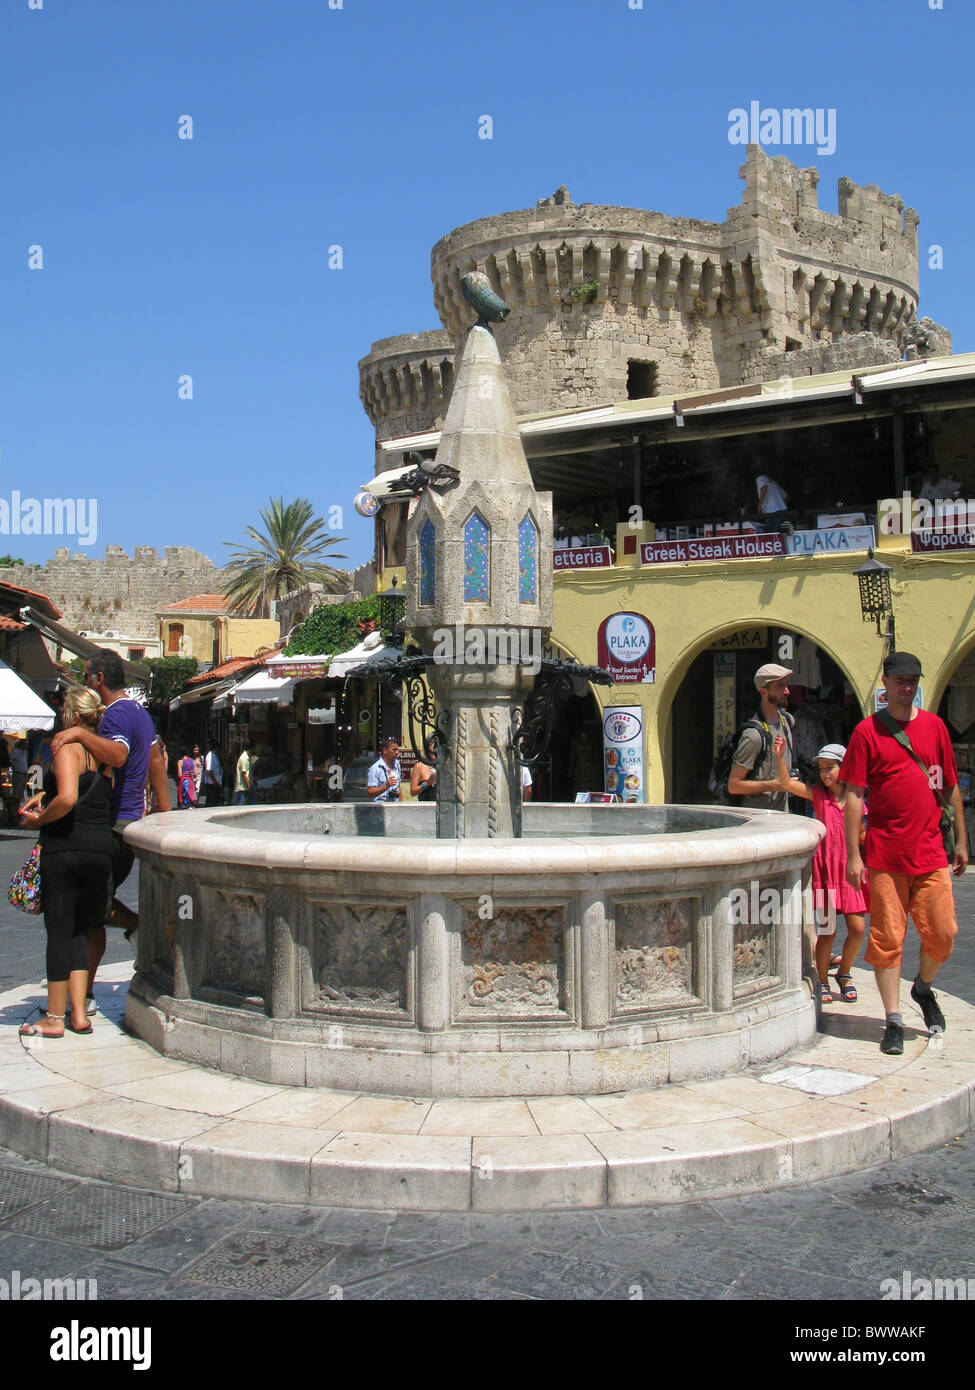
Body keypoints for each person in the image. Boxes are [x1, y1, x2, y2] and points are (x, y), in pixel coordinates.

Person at [843, 651, 968, 1055]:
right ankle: (893, 1020)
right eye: (900, 680)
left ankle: (923, 989)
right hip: (884, 856)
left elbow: (949, 787)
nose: (907, 687)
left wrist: (962, 842)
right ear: (886, 681)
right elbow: (854, 796)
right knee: (886, 940)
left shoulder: (934, 728)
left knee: (943, 935)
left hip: (931, 853)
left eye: (913, 680)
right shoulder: (867, 732)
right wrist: (852, 856)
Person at [50, 651, 170, 1011]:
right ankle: (81, 991)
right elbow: (156, 764)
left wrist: (77, 734)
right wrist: (164, 814)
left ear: (99, 678)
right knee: (93, 908)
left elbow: (118, 755)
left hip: (113, 825)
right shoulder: (140, 713)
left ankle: (83, 995)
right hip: (133, 820)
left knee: (92, 914)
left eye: (88, 676)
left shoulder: (116, 713)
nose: (87, 682)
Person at [18, 688, 113, 1038]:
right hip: (99, 849)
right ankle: (79, 1015)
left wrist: (39, 821)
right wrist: (50, 794)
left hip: (66, 848)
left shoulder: (67, 747)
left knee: (59, 932)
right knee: (81, 929)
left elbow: (70, 797)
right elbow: (91, 790)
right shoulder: (103, 753)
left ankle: (55, 1019)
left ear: (72, 715)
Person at [775, 740, 868, 1005]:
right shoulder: (819, 795)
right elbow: (787, 784)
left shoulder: (856, 797)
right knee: (827, 930)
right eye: (822, 769)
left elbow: (863, 834)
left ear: (845, 767)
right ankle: (823, 978)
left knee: (858, 928)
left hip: (850, 872)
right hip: (826, 873)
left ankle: (845, 973)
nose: (826, 774)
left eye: (831, 768)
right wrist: (780, 758)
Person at [726, 663, 795, 810]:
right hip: (758, 822)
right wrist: (774, 785)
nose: (787, 691)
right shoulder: (753, 736)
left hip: (782, 818)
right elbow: (734, 785)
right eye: (780, 687)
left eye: (786, 685)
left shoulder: (787, 721)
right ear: (763, 691)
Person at [367, 737, 401, 801]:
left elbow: (398, 788)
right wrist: (386, 786)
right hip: (381, 807)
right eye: (394, 750)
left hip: (395, 807)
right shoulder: (376, 768)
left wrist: (400, 806)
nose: (397, 752)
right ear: (385, 751)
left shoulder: (396, 765)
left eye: (397, 750)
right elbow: (370, 792)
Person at [202, 742, 223, 807]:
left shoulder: (216, 756)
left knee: (215, 801)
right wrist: (215, 781)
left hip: (216, 783)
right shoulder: (210, 756)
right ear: (216, 748)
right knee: (211, 802)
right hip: (212, 783)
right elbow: (209, 770)